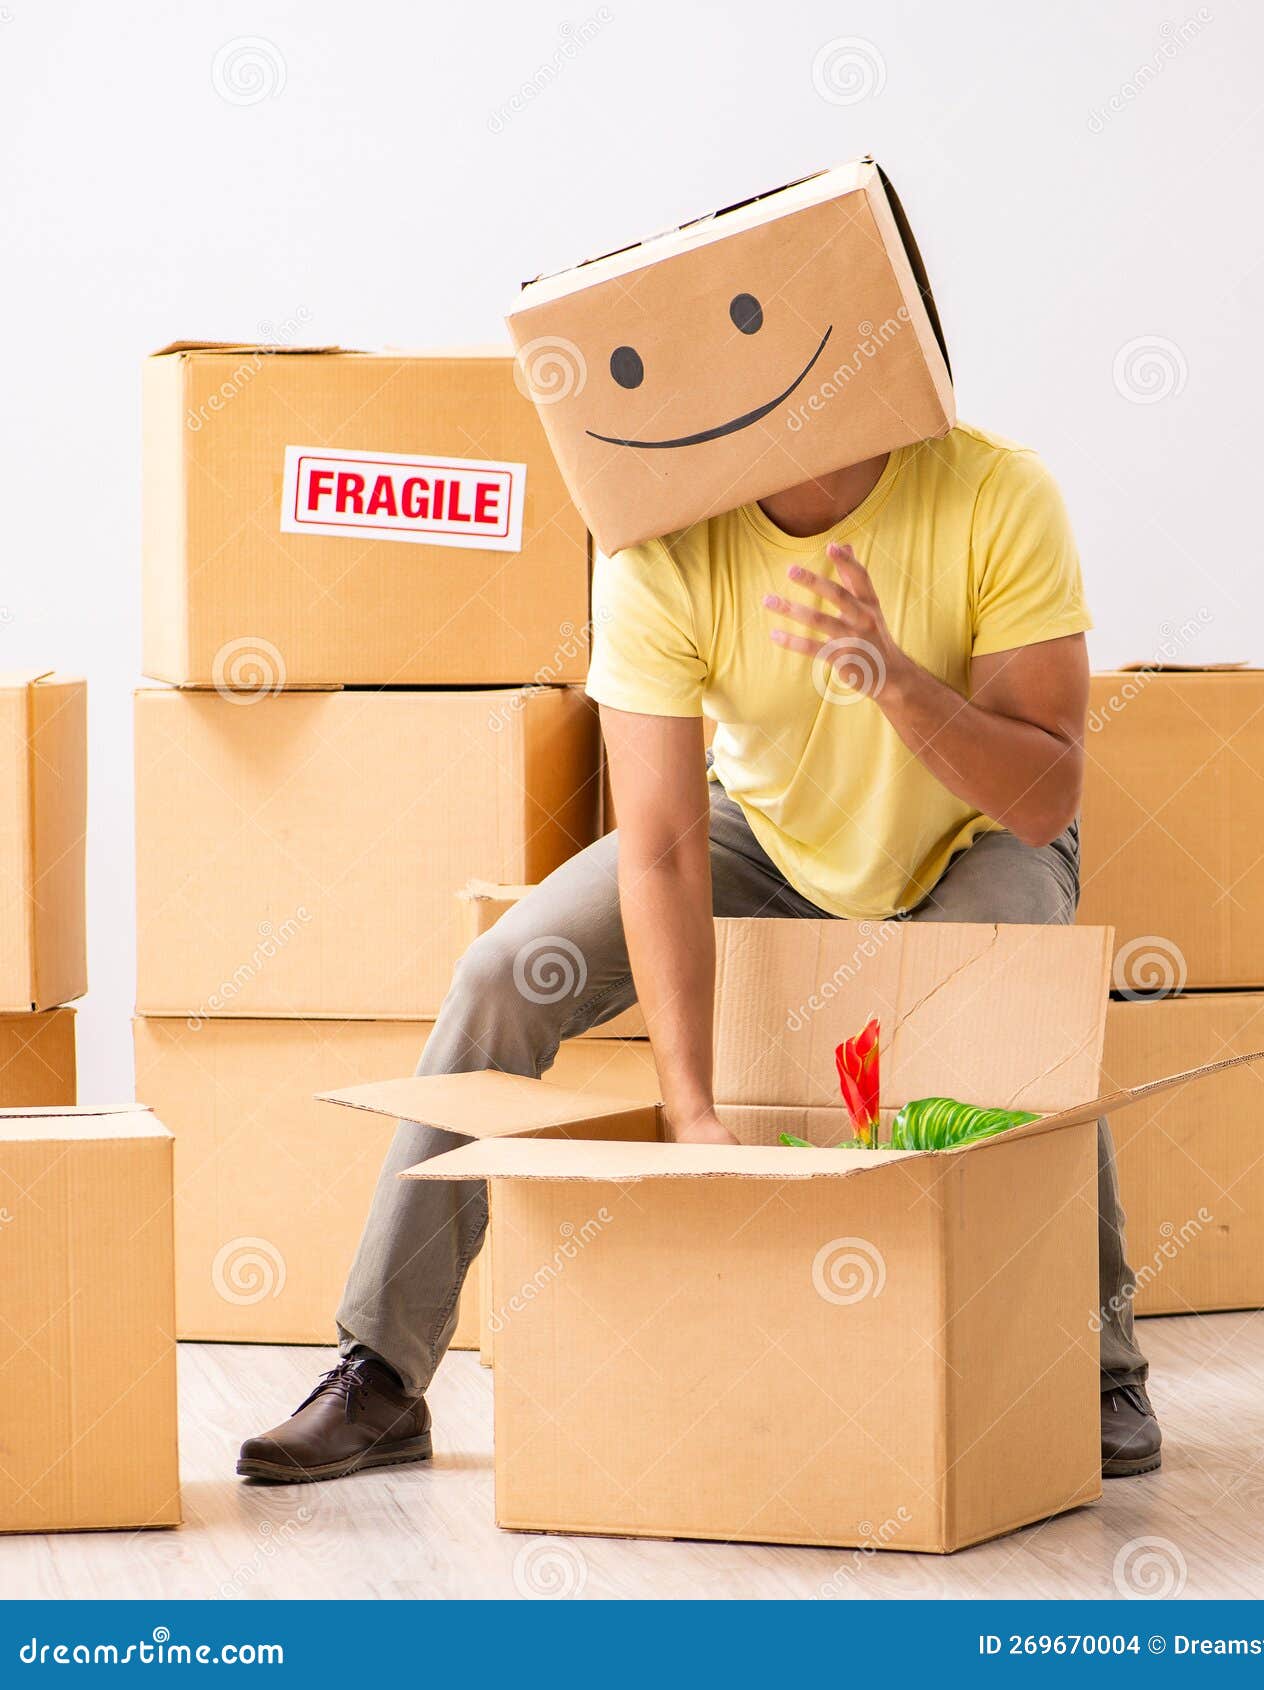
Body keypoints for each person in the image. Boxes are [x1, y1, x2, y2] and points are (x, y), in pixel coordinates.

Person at [237, 426, 1162, 1486]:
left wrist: (896, 682)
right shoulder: (661, 542)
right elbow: (662, 848)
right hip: (764, 832)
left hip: (976, 829)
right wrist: (691, 1106)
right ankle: (383, 1371)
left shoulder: (997, 491)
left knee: (1005, 979)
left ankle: (1097, 1368)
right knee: (503, 975)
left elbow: (1045, 794)